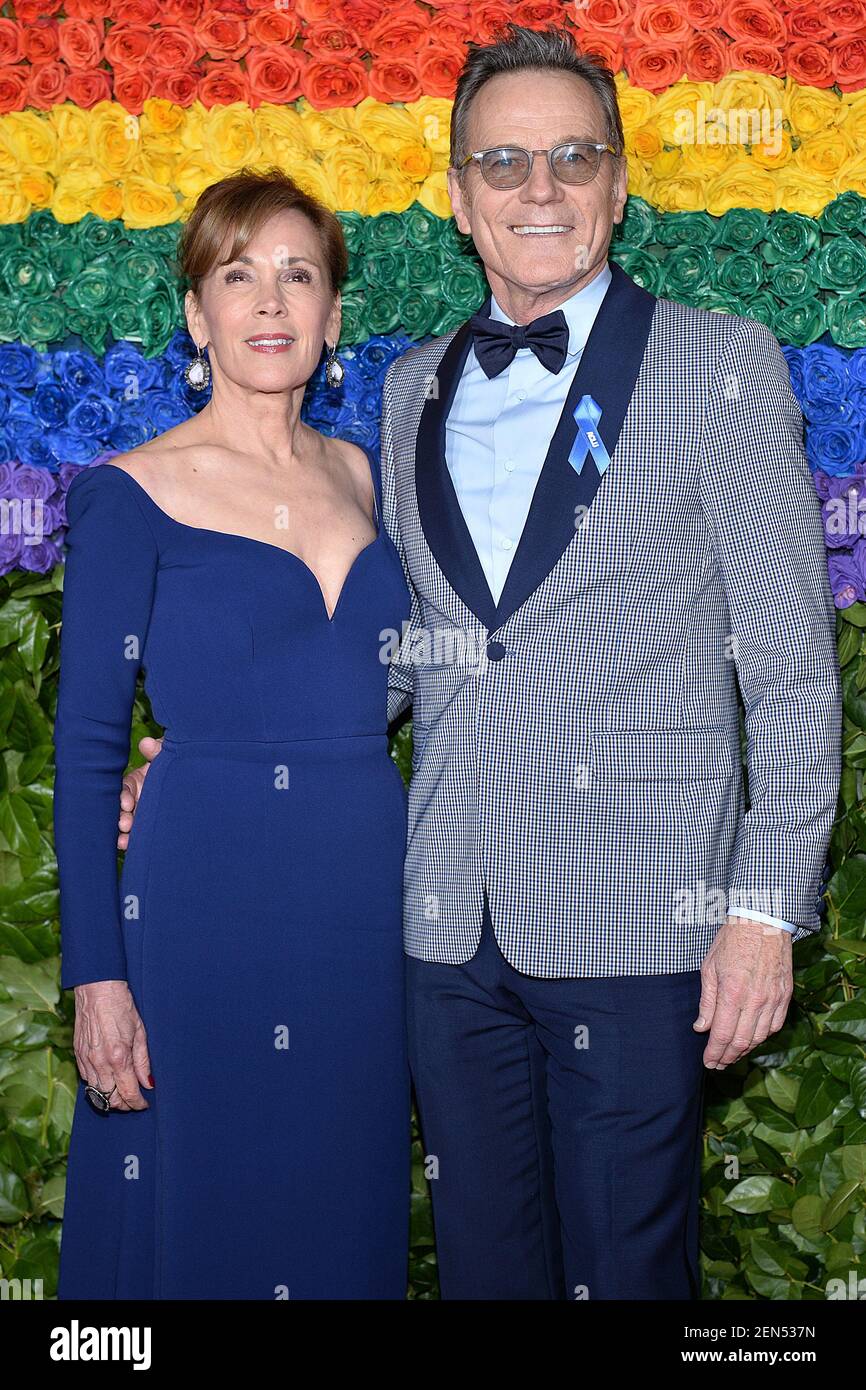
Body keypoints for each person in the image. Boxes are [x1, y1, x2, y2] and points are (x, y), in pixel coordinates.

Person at [121, 25, 842, 1300]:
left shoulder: (716, 366)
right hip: (444, 923)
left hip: (639, 922)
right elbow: (408, 652)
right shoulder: (411, 390)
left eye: (572, 157)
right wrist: (225, 743)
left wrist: (761, 910)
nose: (538, 189)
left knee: (627, 1273)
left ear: (618, 185)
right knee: (485, 1273)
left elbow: (787, 667)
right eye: (502, 163)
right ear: (457, 199)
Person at [53, 169, 412, 1300]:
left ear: (332, 315)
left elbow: (382, 682)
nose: (270, 301)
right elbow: (85, 748)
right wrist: (95, 979)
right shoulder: (131, 492)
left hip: (361, 894)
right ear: (195, 314)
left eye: (298, 274)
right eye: (238, 274)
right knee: (200, 1197)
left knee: (337, 1191)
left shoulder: (361, 475)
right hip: (205, 895)